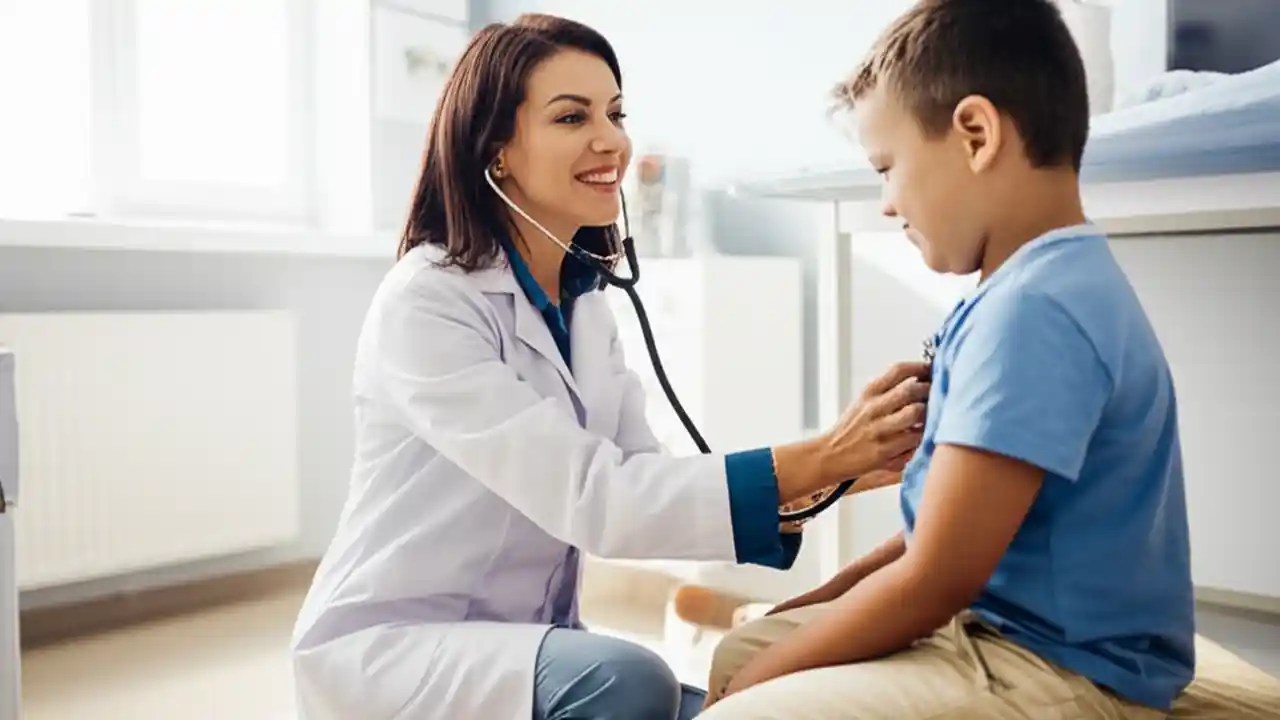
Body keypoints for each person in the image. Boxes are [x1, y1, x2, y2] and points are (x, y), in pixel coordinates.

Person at [289, 13, 930, 720]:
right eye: (572, 117)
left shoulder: (585, 307)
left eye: (616, 113)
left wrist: (845, 469)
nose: (612, 140)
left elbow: (645, 484)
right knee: (633, 681)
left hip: (524, 645)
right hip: (392, 652)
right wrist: (826, 451)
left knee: (749, 707)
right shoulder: (428, 303)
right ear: (496, 150)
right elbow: (601, 500)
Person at [702, 0, 1195, 717]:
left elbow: (936, 578)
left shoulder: (1037, 310)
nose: (888, 205)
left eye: (887, 167)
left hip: (1063, 671)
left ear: (975, 133)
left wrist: (754, 691)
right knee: (742, 651)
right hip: (1001, 634)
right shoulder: (1026, 288)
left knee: (751, 698)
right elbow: (933, 538)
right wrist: (797, 620)